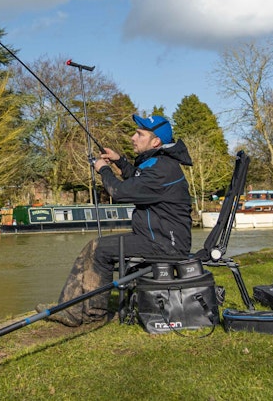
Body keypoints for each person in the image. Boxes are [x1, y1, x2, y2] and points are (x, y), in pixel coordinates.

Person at [40, 114, 193, 327]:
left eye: (139, 134)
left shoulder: (161, 169)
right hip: (156, 237)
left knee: (99, 249)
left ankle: (93, 315)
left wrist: (103, 169)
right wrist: (119, 161)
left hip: (165, 243)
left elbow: (120, 192)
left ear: (155, 142)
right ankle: (71, 309)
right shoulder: (159, 164)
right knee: (94, 248)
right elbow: (137, 179)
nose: (133, 137)